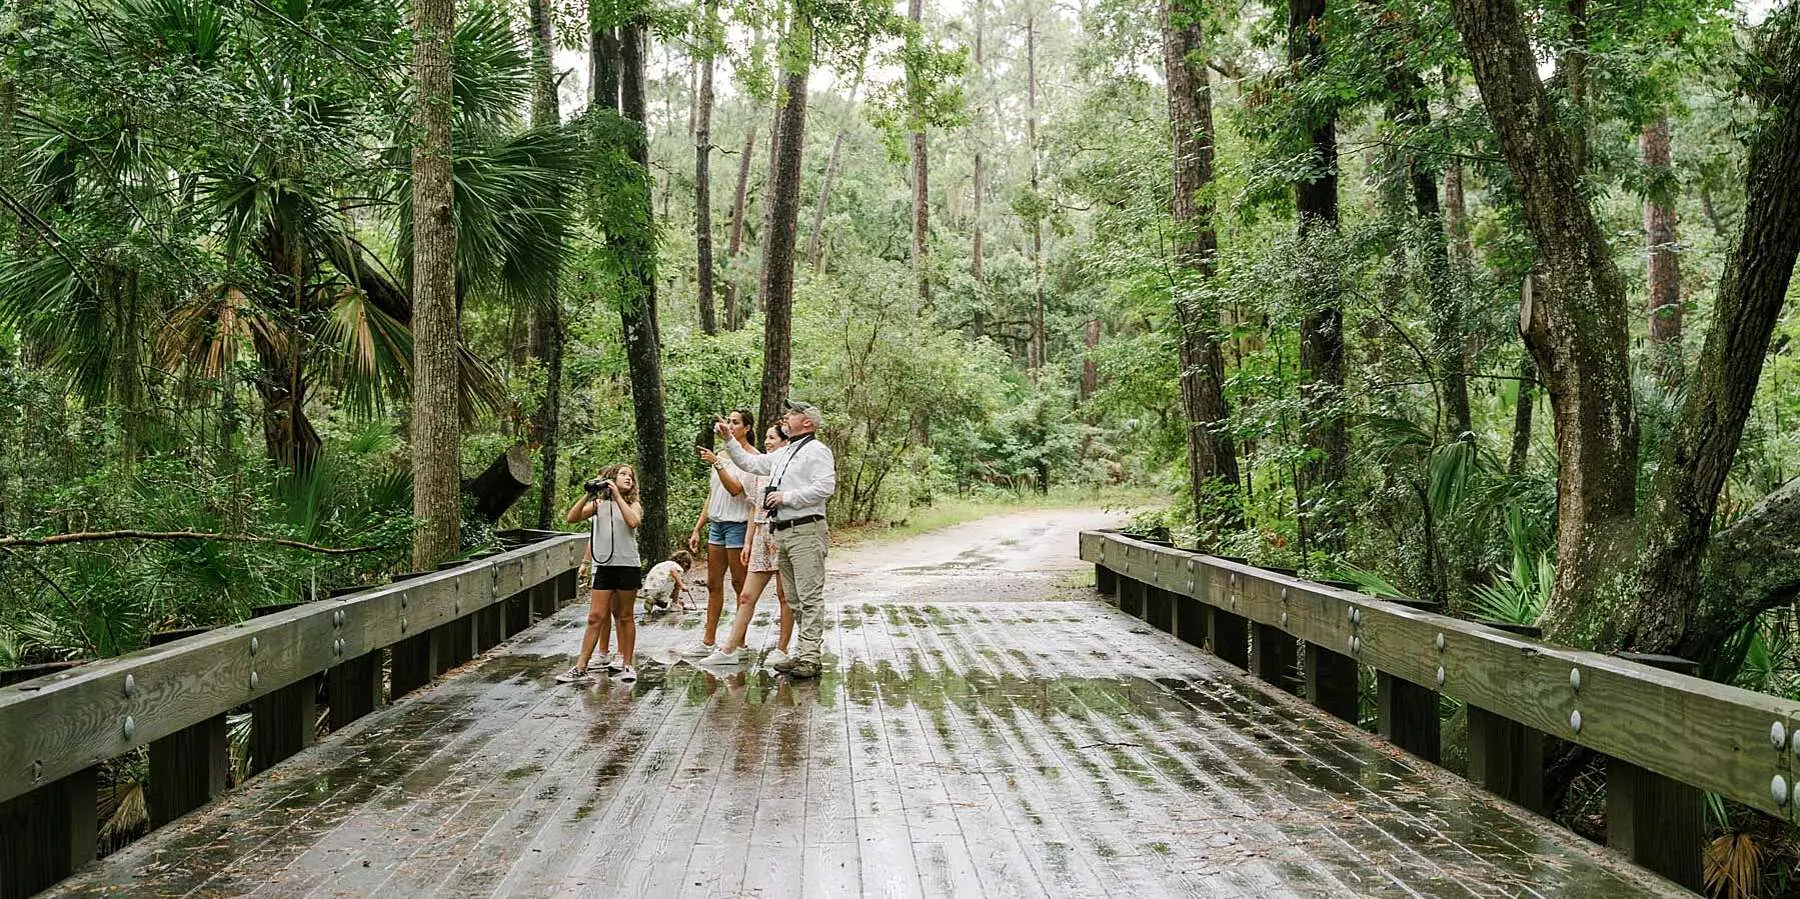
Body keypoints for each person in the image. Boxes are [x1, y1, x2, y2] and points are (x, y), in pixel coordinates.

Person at [717, 399, 835, 679]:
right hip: (782, 530)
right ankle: (802, 653)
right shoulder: (785, 453)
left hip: (806, 529)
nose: (786, 415)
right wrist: (728, 439)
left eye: (793, 413)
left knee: (809, 596)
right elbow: (751, 462)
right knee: (793, 597)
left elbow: (825, 486)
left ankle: (809, 657)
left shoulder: (817, 451)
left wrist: (786, 497)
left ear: (808, 422)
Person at [699, 425, 795, 667]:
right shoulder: (759, 468)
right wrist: (748, 541)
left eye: (772, 437)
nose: (767, 442)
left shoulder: (791, 467)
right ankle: (730, 648)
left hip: (783, 532)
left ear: (785, 441)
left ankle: (782, 648)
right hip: (761, 533)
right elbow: (753, 507)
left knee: (785, 595)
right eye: (766, 437)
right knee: (746, 596)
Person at [556, 463, 644, 683]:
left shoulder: (633, 504)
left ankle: (627, 664)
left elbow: (633, 521)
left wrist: (617, 496)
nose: (628, 478)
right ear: (611, 478)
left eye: (630, 476)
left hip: (627, 565)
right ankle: (580, 667)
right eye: (623, 474)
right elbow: (572, 518)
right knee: (595, 616)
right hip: (604, 567)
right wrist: (588, 495)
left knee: (625, 616)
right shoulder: (598, 505)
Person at [679, 409, 757, 658]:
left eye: (735, 423)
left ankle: (739, 644)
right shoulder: (721, 455)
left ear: (747, 428)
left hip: (738, 525)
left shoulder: (751, 458)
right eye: (728, 422)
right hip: (717, 524)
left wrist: (718, 463)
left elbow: (735, 490)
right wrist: (697, 527)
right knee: (714, 584)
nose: (729, 426)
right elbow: (713, 495)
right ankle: (708, 640)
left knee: (738, 584)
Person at [641, 549, 695, 614]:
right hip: (660, 589)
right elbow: (673, 571)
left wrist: (678, 599)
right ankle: (675, 604)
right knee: (677, 581)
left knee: (664, 605)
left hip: (649, 589)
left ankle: (652, 600)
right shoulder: (676, 567)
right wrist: (681, 584)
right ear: (685, 563)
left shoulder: (665, 564)